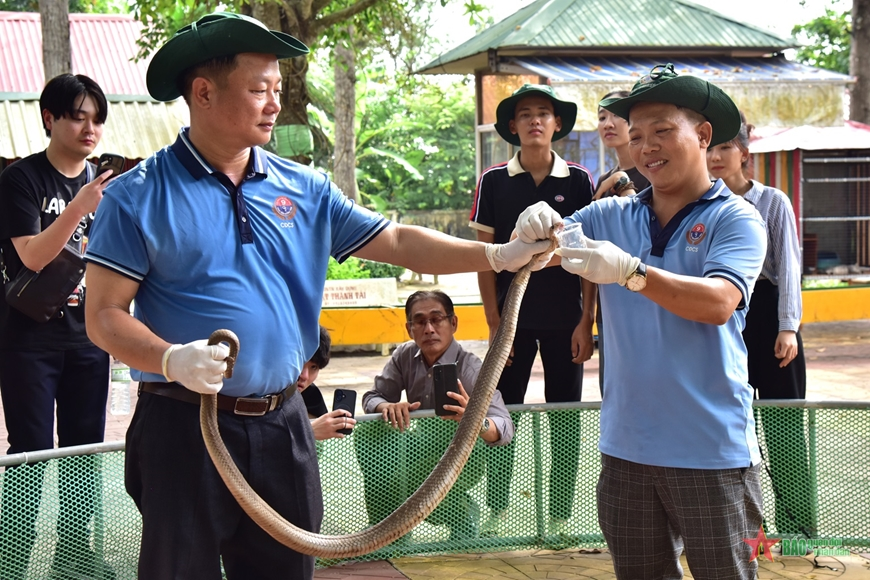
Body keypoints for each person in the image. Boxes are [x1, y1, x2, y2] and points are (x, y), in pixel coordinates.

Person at [81, 12, 549, 579]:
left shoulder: (303, 188)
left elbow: (398, 240)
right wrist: (169, 359)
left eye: (278, 89)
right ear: (203, 93)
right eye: (259, 90)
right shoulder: (138, 195)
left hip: (284, 423)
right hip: (183, 427)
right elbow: (104, 315)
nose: (274, 104)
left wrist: (498, 255)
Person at [516, 63, 768, 578]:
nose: (646, 146)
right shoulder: (611, 215)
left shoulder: (736, 217)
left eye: (661, 131)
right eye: (636, 137)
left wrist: (633, 273)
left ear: (702, 136)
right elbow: (546, 242)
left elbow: (719, 302)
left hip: (711, 452)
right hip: (625, 449)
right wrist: (536, 223)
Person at [0, 73, 115, 579]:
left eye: (97, 118)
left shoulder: (110, 187)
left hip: (90, 336)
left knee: (84, 447)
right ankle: (14, 562)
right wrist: (78, 208)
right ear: (50, 119)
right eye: (78, 116)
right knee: (30, 450)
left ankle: (74, 556)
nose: (90, 128)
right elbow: (32, 257)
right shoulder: (21, 181)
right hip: (28, 340)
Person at [469, 83, 595, 536]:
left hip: (567, 319)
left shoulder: (579, 180)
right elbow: (485, 257)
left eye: (544, 113)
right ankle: (498, 509)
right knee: (503, 411)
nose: (535, 121)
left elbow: (587, 258)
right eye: (525, 115)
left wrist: (587, 319)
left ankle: (561, 516)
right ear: (513, 127)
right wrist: (493, 321)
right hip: (511, 321)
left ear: (557, 124)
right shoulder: (493, 180)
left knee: (566, 413)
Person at [706, 114, 814, 536]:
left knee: (783, 424)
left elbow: (789, 266)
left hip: (769, 316)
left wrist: (788, 327)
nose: (714, 157)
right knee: (727, 424)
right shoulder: (704, 203)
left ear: (744, 155)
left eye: (724, 148)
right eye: (709, 148)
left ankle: (797, 529)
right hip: (723, 315)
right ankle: (740, 526)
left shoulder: (772, 201)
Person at [356, 290, 514, 542]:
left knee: (416, 477)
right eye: (420, 322)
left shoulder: (471, 367)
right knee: (368, 434)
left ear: (453, 323)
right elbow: (371, 397)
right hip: (419, 445)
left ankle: (463, 514)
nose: (429, 328)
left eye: (436, 319)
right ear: (410, 329)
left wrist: (475, 420)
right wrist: (385, 407)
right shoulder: (403, 356)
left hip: (464, 456)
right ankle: (385, 534)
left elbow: (505, 427)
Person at [592, 90, 652, 394]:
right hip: (612, 303)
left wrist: (622, 186)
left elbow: (646, 230)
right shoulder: (604, 179)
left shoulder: (656, 172)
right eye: (602, 117)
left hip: (653, 294)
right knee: (614, 390)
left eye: (617, 115)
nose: (608, 123)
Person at [297, 325, 358, 441]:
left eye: (314, 367)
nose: (304, 376)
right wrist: (308, 431)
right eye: (300, 363)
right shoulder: (260, 394)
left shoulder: (312, 397)